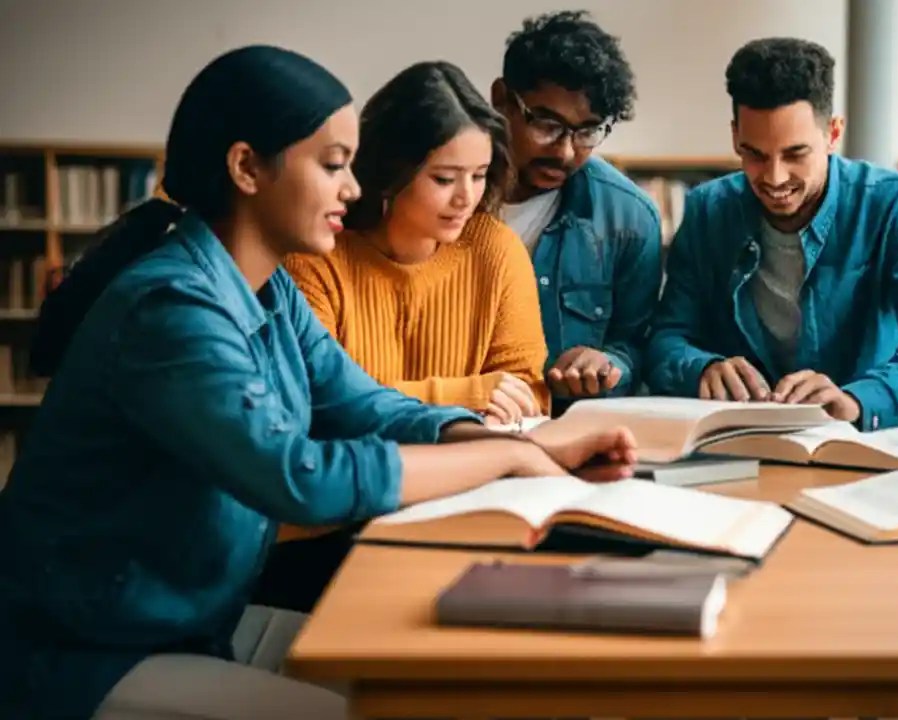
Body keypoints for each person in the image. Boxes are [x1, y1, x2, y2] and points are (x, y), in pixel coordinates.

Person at [0, 45, 635, 720]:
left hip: (191, 624)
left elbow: (361, 402)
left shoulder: (267, 287)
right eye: (333, 166)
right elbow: (297, 477)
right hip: (87, 656)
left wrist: (494, 438)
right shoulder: (171, 308)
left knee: (450, 688)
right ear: (246, 167)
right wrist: (506, 455)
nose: (355, 188)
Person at [645, 37, 898, 431]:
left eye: (795, 154)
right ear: (735, 136)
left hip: (865, 445)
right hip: (740, 444)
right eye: (754, 154)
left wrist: (858, 398)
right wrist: (701, 369)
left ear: (833, 133)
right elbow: (666, 338)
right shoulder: (707, 211)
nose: (774, 177)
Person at [287, 61, 549, 426]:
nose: (466, 197)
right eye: (444, 179)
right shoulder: (317, 256)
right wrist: (464, 396)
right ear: (389, 171)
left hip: (476, 466)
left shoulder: (496, 249)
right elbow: (320, 402)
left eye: (479, 175)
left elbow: (525, 392)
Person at [492, 10, 663, 410]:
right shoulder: (446, 191)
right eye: (546, 124)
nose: (566, 151)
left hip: (567, 433)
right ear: (501, 100)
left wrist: (610, 364)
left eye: (587, 131)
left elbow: (636, 345)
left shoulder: (629, 218)